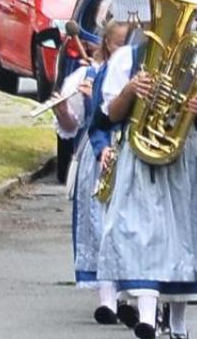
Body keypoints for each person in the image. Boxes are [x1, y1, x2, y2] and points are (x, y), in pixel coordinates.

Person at [95, 0, 197, 339]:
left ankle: (178, 322)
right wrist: (131, 89)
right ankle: (146, 311)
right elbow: (108, 113)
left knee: (184, 235)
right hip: (140, 152)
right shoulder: (128, 55)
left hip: (186, 152)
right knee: (139, 231)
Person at [61, 21, 136, 328]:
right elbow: (72, 126)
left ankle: (128, 297)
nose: (122, 51)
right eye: (117, 44)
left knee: (129, 227)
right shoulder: (87, 74)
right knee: (100, 226)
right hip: (99, 157)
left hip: (132, 155)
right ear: (106, 44)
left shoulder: (137, 73)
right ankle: (106, 300)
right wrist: (62, 107)